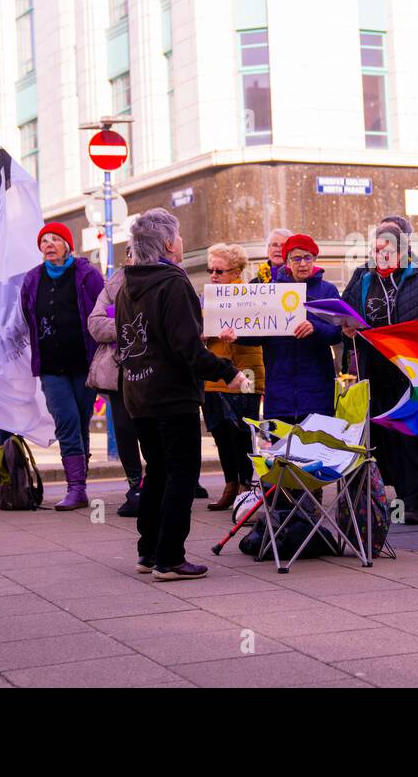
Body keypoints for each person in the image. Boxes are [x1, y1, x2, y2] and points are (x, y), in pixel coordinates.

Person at [116, 209, 248, 580]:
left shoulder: (129, 283)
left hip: (139, 392)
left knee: (156, 471)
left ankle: (148, 551)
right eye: (178, 236)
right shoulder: (172, 281)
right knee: (181, 473)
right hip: (171, 394)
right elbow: (186, 348)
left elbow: (143, 339)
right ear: (169, 244)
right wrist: (229, 373)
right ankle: (170, 557)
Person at [342, 222, 418, 525]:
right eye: (378, 249)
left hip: (409, 372)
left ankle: (413, 501)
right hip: (371, 369)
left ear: (403, 252)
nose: (382, 254)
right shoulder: (362, 276)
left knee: (410, 437)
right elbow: (345, 309)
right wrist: (346, 325)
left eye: (388, 249)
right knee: (380, 436)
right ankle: (386, 498)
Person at [20, 221, 105, 510]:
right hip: (51, 367)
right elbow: (26, 315)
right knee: (66, 420)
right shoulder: (32, 279)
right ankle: (75, 487)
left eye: (56, 239)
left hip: (84, 363)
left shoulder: (87, 275)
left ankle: (80, 488)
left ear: (68, 245)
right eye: (45, 240)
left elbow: (103, 311)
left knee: (81, 422)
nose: (49, 244)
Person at [202, 243, 265, 511]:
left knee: (241, 433)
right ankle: (230, 484)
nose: (214, 275)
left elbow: (259, 328)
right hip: (214, 374)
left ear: (236, 271)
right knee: (220, 433)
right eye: (210, 270)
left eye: (219, 270)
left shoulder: (249, 294)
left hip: (244, 371)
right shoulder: (208, 297)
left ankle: (245, 484)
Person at [259, 234, 342, 425]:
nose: (303, 263)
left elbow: (337, 333)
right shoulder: (270, 291)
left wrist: (316, 327)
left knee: (316, 454)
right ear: (287, 261)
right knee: (282, 453)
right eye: (297, 258)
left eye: (308, 257)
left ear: (314, 259)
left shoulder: (327, 291)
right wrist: (234, 335)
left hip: (317, 394)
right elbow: (257, 335)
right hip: (280, 394)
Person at [87, 261, 145, 517]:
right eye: (130, 252)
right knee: (123, 428)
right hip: (120, 372)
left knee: (151, 430)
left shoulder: (166, 278)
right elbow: (95, 324)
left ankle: (152, 486)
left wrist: (120, 321)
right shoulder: (114, 282)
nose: (134, 258)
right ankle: (135, 486)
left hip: (152, 371)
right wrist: (128, 327)